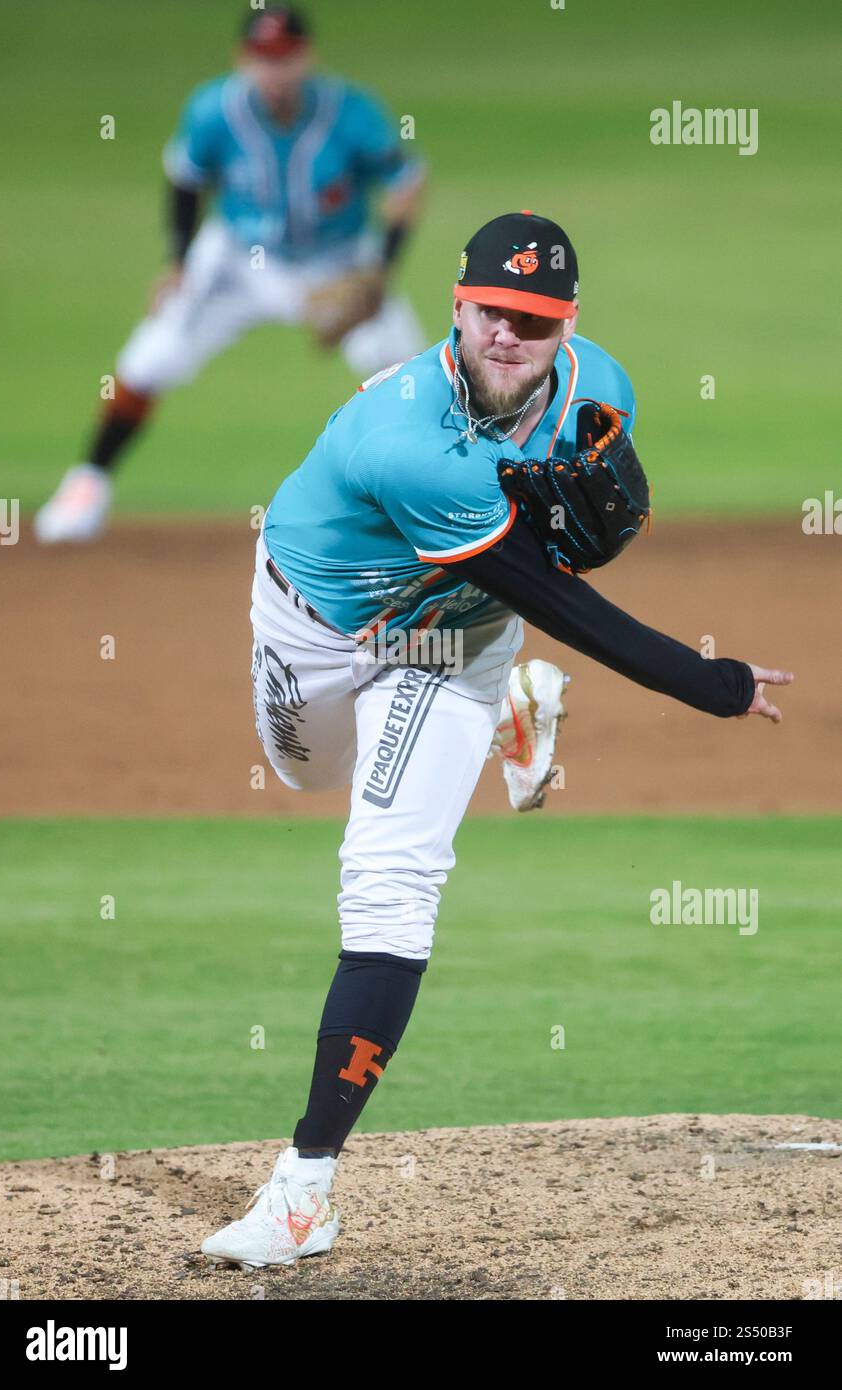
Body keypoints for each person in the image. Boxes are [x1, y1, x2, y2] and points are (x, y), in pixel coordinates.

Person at [200, 209, 794, 1269]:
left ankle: (301, 1190)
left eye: (535, 319)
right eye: (491, 313)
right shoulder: (403, 437)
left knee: (387, 882)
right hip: (316, 629)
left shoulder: (598, 390)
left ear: (566, 323)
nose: (508, 336)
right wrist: (713, 683)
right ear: (456, 307)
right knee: (303, 771)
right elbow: (556, 597)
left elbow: (579, 535)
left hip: (449, 646)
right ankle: (515, 713)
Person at [34, 5, 426, 544]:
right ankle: (87, 483)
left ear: (306, 57)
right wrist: (177, 262)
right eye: (263, 57)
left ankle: (426, 504)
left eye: (285, 57)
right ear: (243, 59)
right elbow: (185, 179)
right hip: (238, 260)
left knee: (411, 381)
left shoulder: (352, 113)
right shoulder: (212, 111)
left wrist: (381, 269)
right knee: (150, 356)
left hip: (337, 262)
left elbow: (407, 184)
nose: (274, 70)